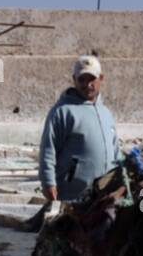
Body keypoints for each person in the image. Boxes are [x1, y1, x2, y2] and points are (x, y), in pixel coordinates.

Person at [38, 55, 120, 202]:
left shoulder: (106, 113)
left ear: (101, 78)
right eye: (82, 79)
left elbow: (115, 149)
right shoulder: (62, 111)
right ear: (74, 79)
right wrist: (48, 182)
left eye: (91, 79)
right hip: (72, 196)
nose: (87, 84)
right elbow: (48, 149)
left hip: (104, 196)